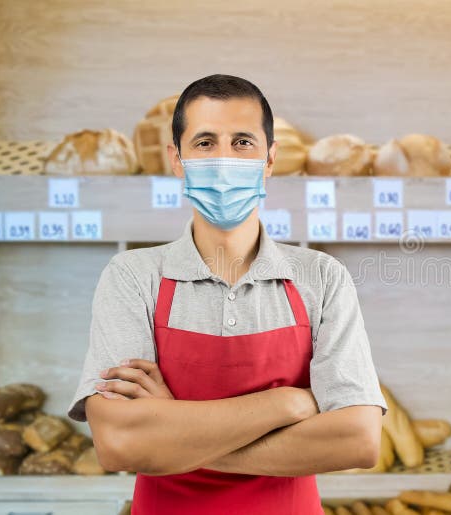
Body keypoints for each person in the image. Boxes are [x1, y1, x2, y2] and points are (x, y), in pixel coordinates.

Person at [67, 74, 388, 515]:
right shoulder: (133, 277)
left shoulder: (321, 277)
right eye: (204, 143)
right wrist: (288, 403)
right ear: (176, 159)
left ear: (269, 159)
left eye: (242, 142)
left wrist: (173, 434)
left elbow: (358, 441)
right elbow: (120, 444)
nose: (223, 158)